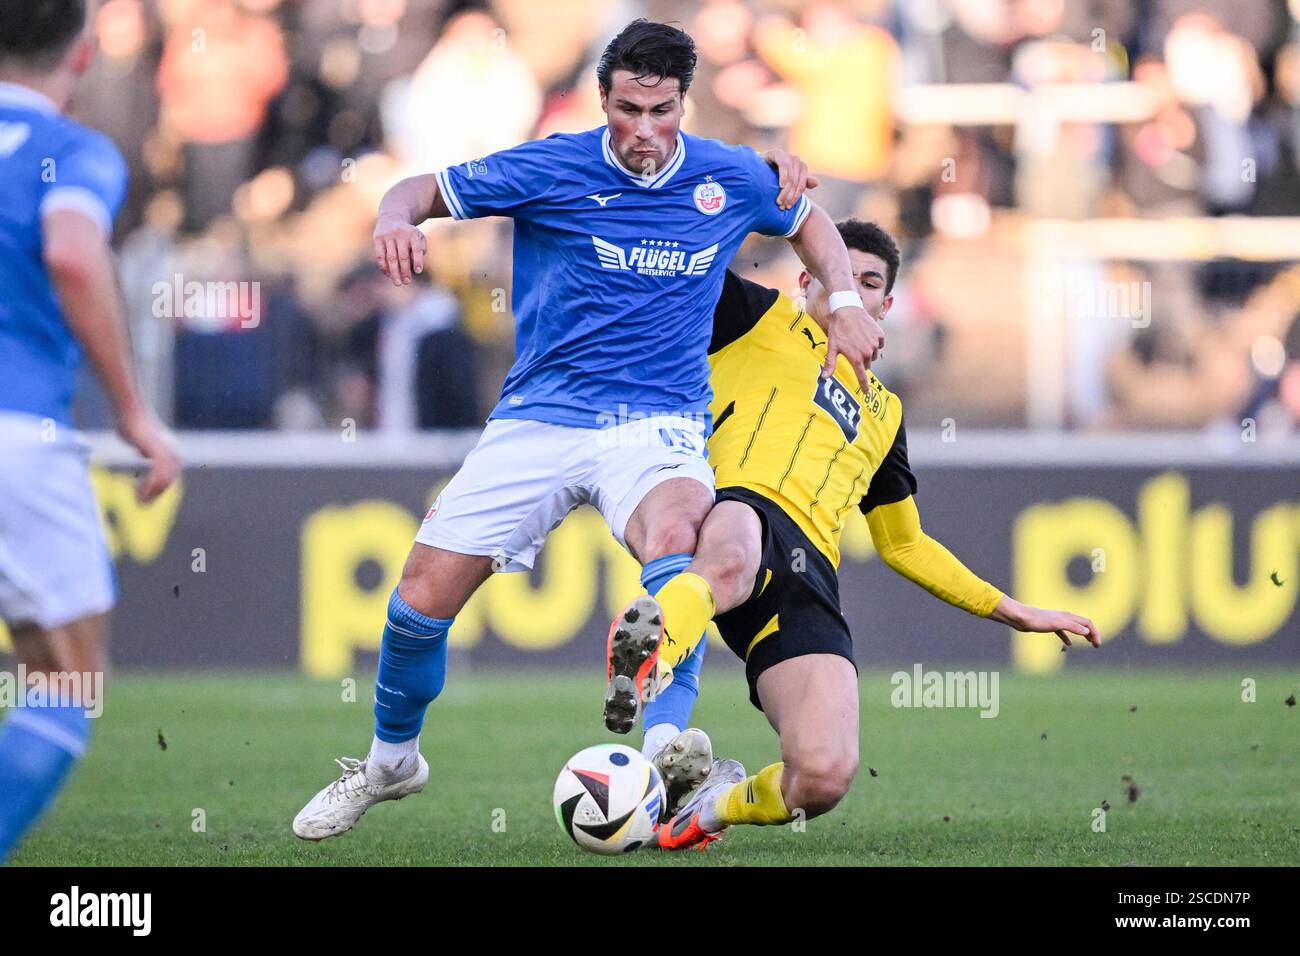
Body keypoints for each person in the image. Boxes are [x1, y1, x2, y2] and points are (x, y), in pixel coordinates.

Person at [292, 19, 884, 841]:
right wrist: (395, 219)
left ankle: (667, 753)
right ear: (602, 98)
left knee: (676, 535)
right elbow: (416, 190)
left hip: (659, 422)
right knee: (420, 599)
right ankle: (393, 763)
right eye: (628, 109)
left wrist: (847, 302)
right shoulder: (550, 165)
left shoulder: (732, 176)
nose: (644, 130)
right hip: (540, 416)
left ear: (686, 103)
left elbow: (809, 220)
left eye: (662, 110)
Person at [599, 220, 1101, 850]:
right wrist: (752, 194)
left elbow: (904, 544)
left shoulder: (885, 412)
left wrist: (1012, 610)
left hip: (807, 578)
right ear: (809, 279)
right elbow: (679, 261)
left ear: (886, 305)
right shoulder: (761, 318)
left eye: (869, 283)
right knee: (730, 553)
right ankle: (649, 658)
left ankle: (705, 808)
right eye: (841, 276)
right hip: (740, 507)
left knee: (824, 774)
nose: (852, 292)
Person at [0, 0, 180, 862]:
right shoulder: (69, 152)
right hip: (18, 438)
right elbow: (73, 252)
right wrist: (134, 411)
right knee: (67, 680)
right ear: (80, 53)